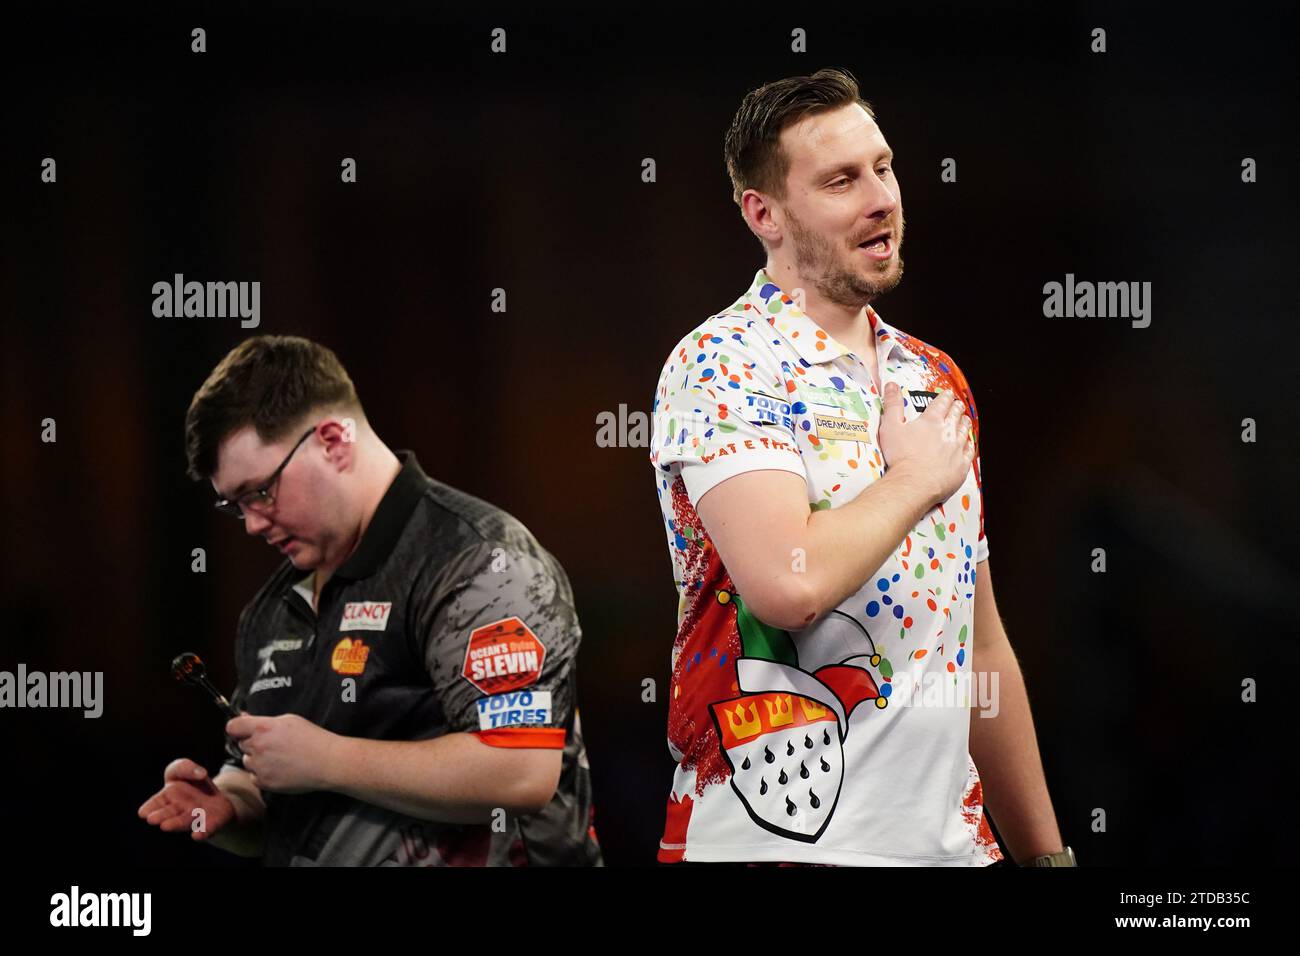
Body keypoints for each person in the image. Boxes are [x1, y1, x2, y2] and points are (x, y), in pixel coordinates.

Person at [648, 68, 1073, 866]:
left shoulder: (934, 377)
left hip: (954, 850)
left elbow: (980, 649)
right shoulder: (722, 363)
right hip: (774, 849)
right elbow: (789, 585)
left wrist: (1049, 857)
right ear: (763, 213)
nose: (882, 198)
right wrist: (913, 481)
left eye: (883, 167)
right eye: (842, 180)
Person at [138, 335, 602, 866]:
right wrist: (229, 806)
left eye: (260, 492)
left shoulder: (480, 560)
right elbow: (272, 800)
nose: (251, 524)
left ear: (334, 440)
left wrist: (326, 759)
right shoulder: (271, 608)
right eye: (234, 505)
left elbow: (520, 770)